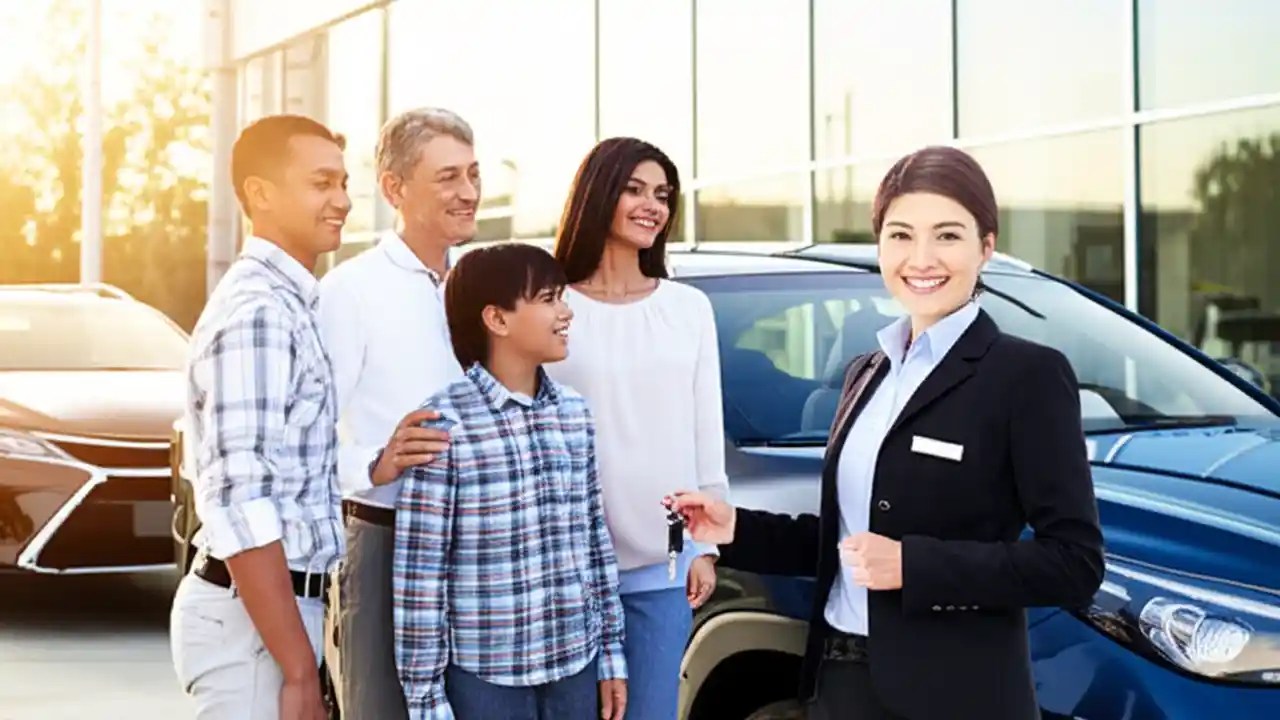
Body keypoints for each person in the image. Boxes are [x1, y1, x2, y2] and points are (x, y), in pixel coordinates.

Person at [664, 145, 1105, 720]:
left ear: (986, 247)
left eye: (947, 236)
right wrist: (736, 528)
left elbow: (1074, 563)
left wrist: (915, 567)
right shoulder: (866, 373)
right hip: (841, 683)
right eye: (900, 235)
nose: (921, 257)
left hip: (958, 697)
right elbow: (847, 539)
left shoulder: (1025, 375)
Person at [392, 242, 628, 720]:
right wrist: (426, 700)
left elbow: (594, 541)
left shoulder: (574, 414)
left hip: (574, 667)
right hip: (484, 680)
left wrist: (610, 653)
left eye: (562, 297)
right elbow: (420, 578)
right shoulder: (441, 426)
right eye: (548, 299)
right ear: (496, 319)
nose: (566, 312)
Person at [170, 114, 351, 720]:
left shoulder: (292, 302)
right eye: (322, 182)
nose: (343, 201)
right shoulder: (259, 312)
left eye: (344, 183)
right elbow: (241, 498)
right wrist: (298, 670)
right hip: (252, 624)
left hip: (274, 616)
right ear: (260, 194)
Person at [545, 136, 730, 719]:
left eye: (663, 194)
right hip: (562, 565)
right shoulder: (551, 308)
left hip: (664, 561)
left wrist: (704, 546)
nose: (652, 204)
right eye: (634, 189)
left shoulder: (688, 308)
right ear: (597, 195)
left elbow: (705, 431)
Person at [317, 107, 479, 720]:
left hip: (484, 545)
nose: (467, 193)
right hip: (387, 539)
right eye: (447, 177)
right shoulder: (350, 292)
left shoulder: (485, 283)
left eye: (473, 173)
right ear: (394, 188)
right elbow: (303, 437)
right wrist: (373, 463)